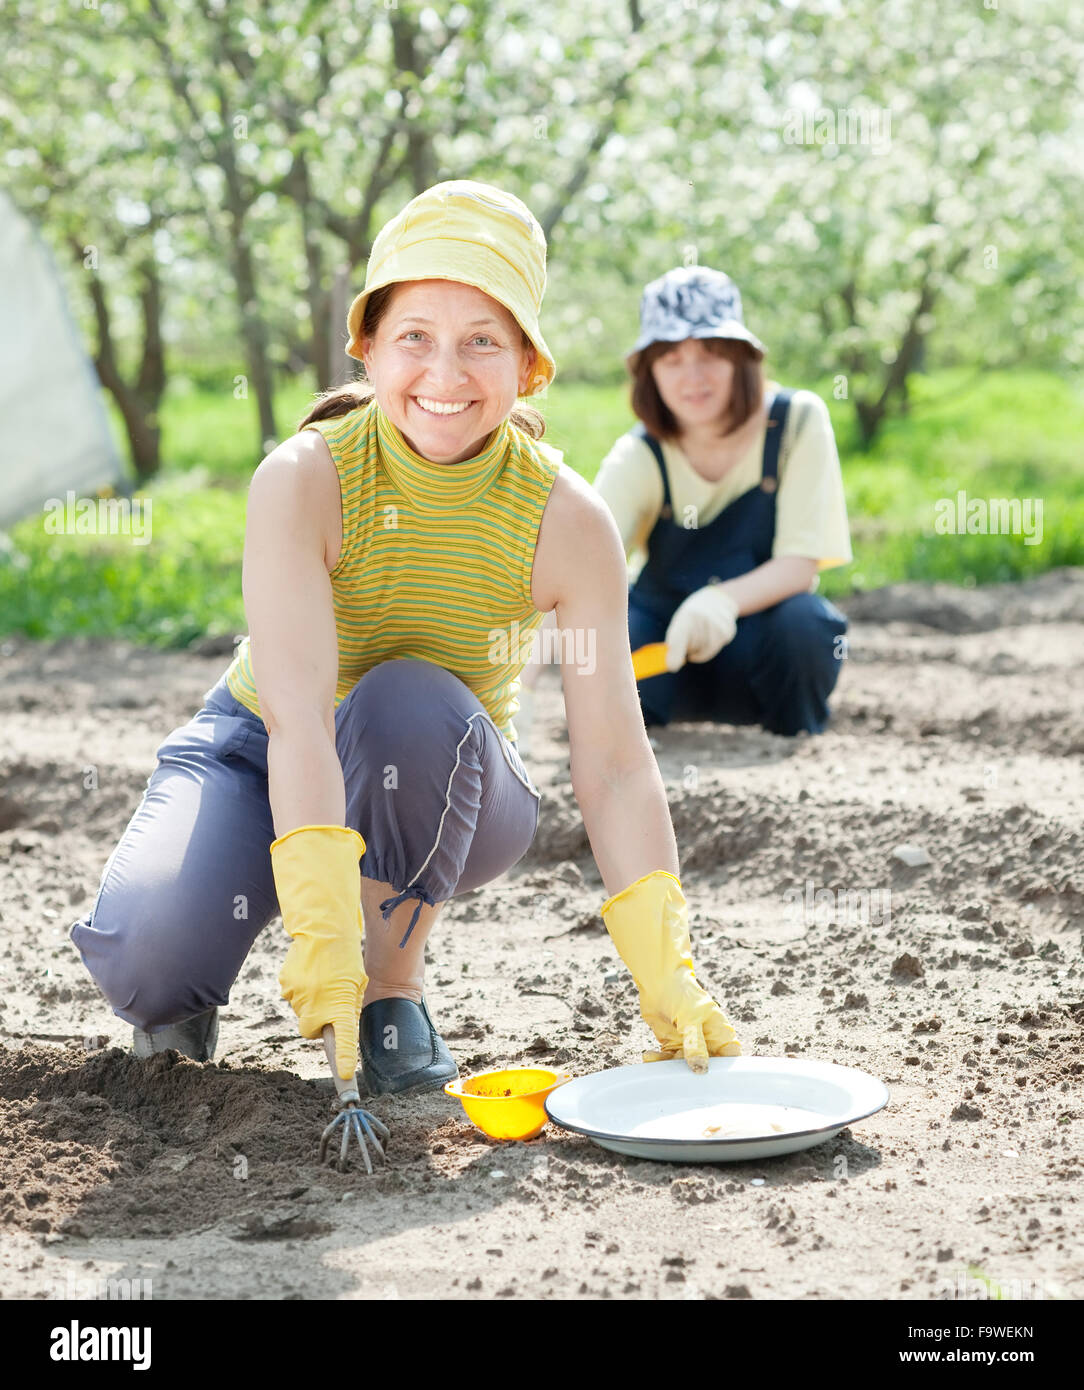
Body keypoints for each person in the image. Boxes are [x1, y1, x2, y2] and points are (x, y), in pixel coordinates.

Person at [69, 182, 741, 1102]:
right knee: (147, 954)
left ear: (529, 367)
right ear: (370, 347)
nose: (446, 373)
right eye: (415, 336)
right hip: (268, 744)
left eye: (482, 341)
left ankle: (394, 995)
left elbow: (617, 764)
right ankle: (186, 998)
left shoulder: (568, 521)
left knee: (405, 698)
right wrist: (317, 933)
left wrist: (668, 973)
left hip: (445, 767)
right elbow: (299, 720)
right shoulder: (303, 480)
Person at [520, 265, 852, 745]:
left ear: (742, 359)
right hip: (660, 661)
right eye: (671, 359)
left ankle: (790, 734)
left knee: (807, 623)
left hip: (758, 652)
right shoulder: (641, 454)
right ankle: (628, 732)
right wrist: (521, 690)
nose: (692, 377)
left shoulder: (795, 423)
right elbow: (568, 572)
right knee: (611, 632)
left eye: (711, 354)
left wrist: (721, 601)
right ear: (649, 371)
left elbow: (801, 566)